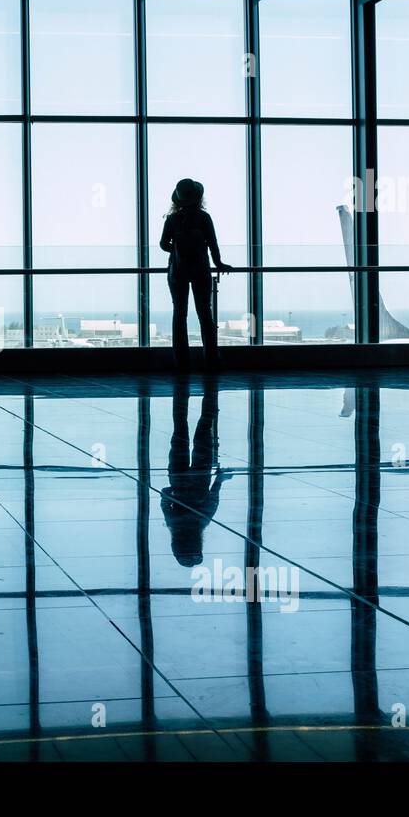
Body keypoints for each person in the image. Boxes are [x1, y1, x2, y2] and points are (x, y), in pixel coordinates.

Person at [159, 178, 230, 372]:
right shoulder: (203, 218)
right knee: (205, 314)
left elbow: (164, 244)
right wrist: (219, 263)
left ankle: (181, 362)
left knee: (179, 315)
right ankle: (211, 359)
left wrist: (178, 249)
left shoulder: (172, 219)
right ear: (199, 198)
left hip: (177, 271)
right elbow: (213, 245)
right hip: (200, 269)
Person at [160, 376, 228, 567]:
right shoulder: (174, 523)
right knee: (180, 428)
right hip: (178, 475)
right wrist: (171, 492)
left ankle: (210, 394)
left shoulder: (201, 522)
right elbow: (165, 499)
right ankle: (181, 392)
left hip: (201, 474)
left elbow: (213, 498)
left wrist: (219, 479)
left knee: (203, 429)